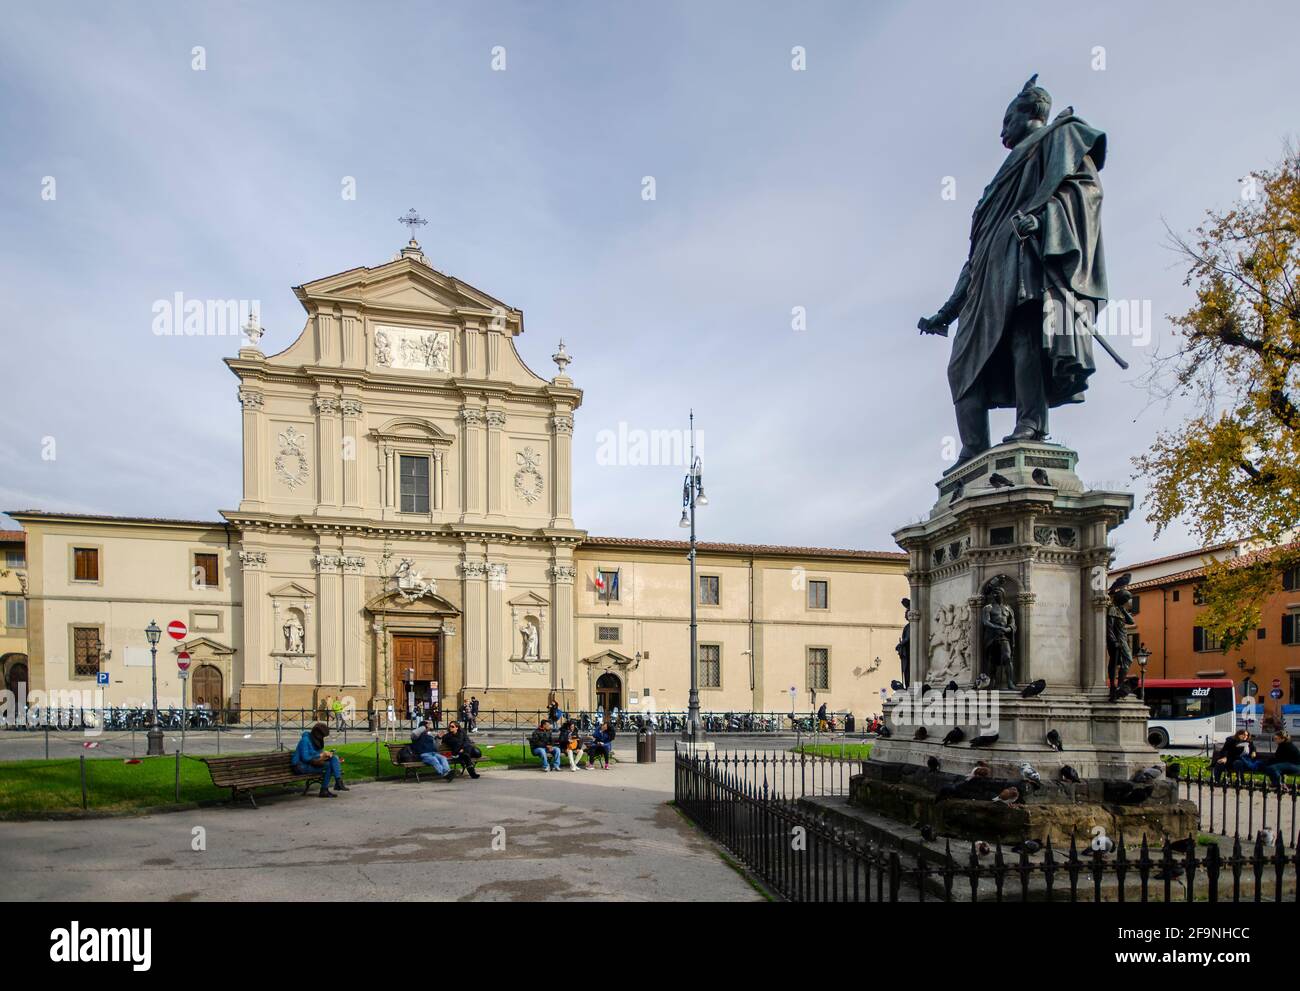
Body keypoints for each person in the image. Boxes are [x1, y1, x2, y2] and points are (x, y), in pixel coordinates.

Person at [293, 722, 348, 797]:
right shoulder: (305, 741)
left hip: (311, 763)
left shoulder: (316, 740)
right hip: (300, 766)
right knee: (329, 766)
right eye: (322, 736)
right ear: (317, 734)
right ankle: (326, 789)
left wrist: (326, 755)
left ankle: (338, 781)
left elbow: (317, 753)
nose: (322, 738)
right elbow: (305, 758)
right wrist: (321, 755)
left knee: (334, 758)